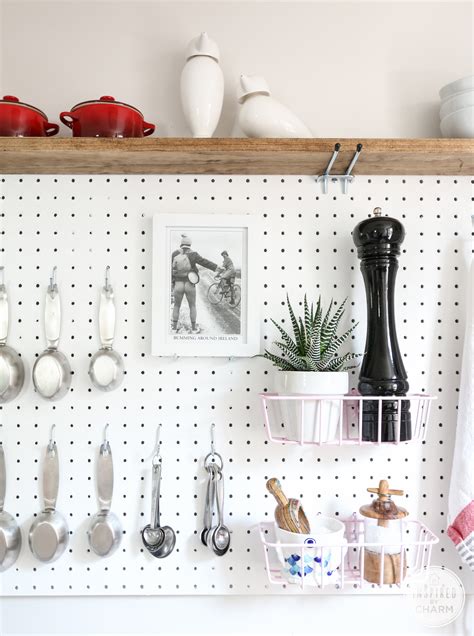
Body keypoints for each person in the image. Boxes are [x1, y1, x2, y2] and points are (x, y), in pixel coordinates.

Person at [171, 234, 217, 334]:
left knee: (176, 306)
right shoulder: (194, 254)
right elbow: (205, 262)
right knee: (192, 306)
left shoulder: (174, 254)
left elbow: (171, 269)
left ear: (181, 244)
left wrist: (172, 283)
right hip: (190, 284)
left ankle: (174, 328)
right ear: (190, 244)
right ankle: (194, 328)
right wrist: (216, 267)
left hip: (178, 283)